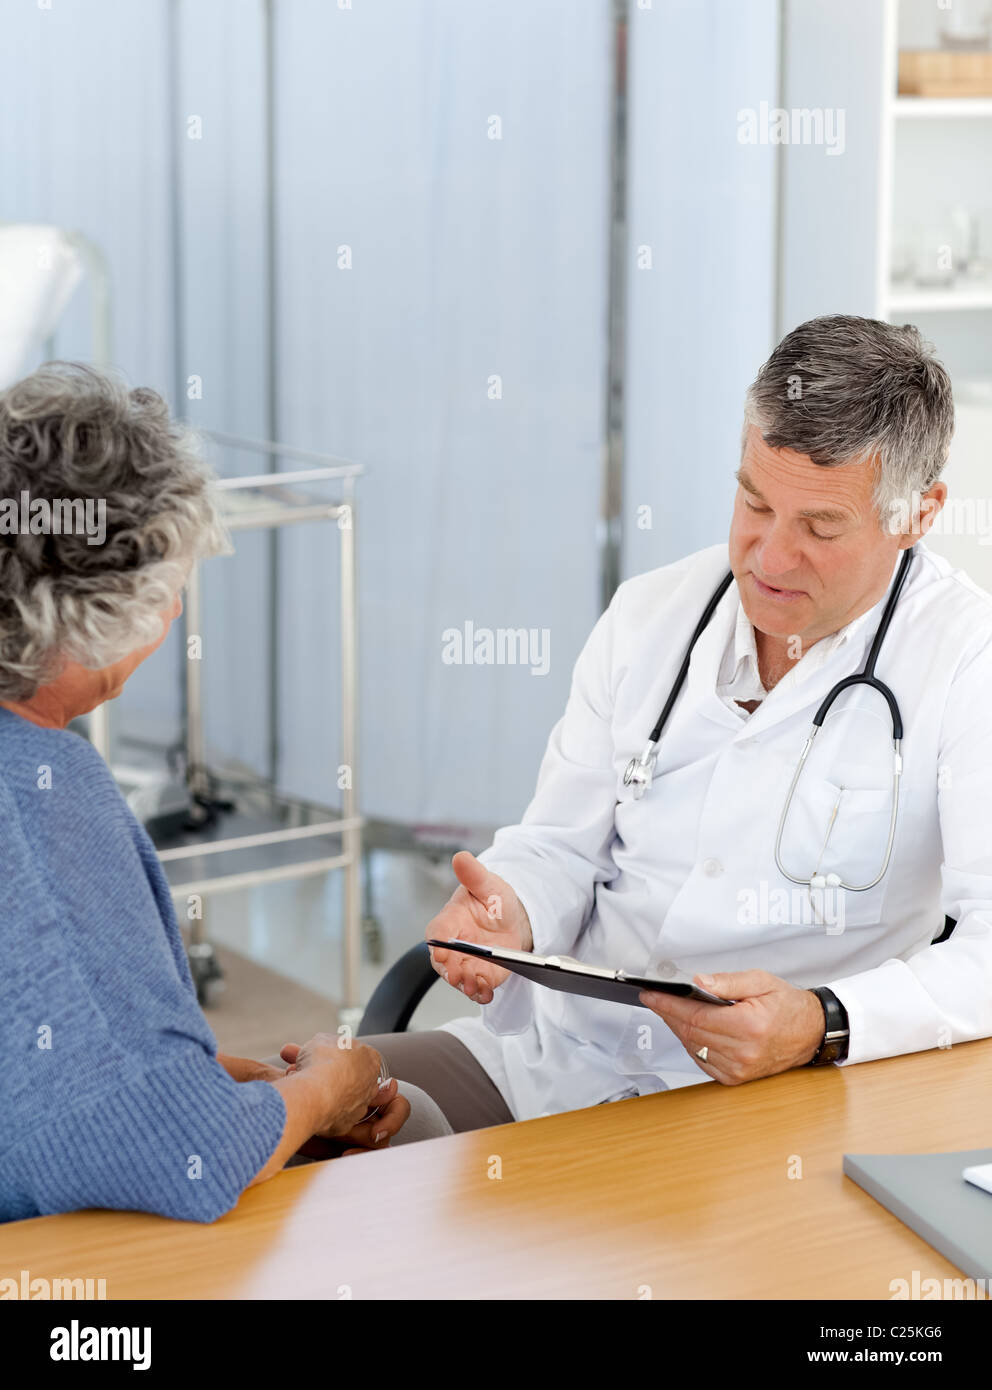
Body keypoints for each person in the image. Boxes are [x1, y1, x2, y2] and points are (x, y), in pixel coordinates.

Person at [361, 313, 992, 1130]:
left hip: (772, 1105)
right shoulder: (652, 614)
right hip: (550, 1070)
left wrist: (820, 1021)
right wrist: (509, 910)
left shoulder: (965, 662)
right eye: (754, 502)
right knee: (291, 1126)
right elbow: (560, 846)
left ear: (918, 512)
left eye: (820, 527)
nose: (767, 557)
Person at [0, 362, 450, 1227]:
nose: (173, 616)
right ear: (99, 611)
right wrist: (329, 1088)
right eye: (169, 590)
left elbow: (60, 1069)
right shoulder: (44, 797)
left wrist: (240, 1083)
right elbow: (174, 1155)